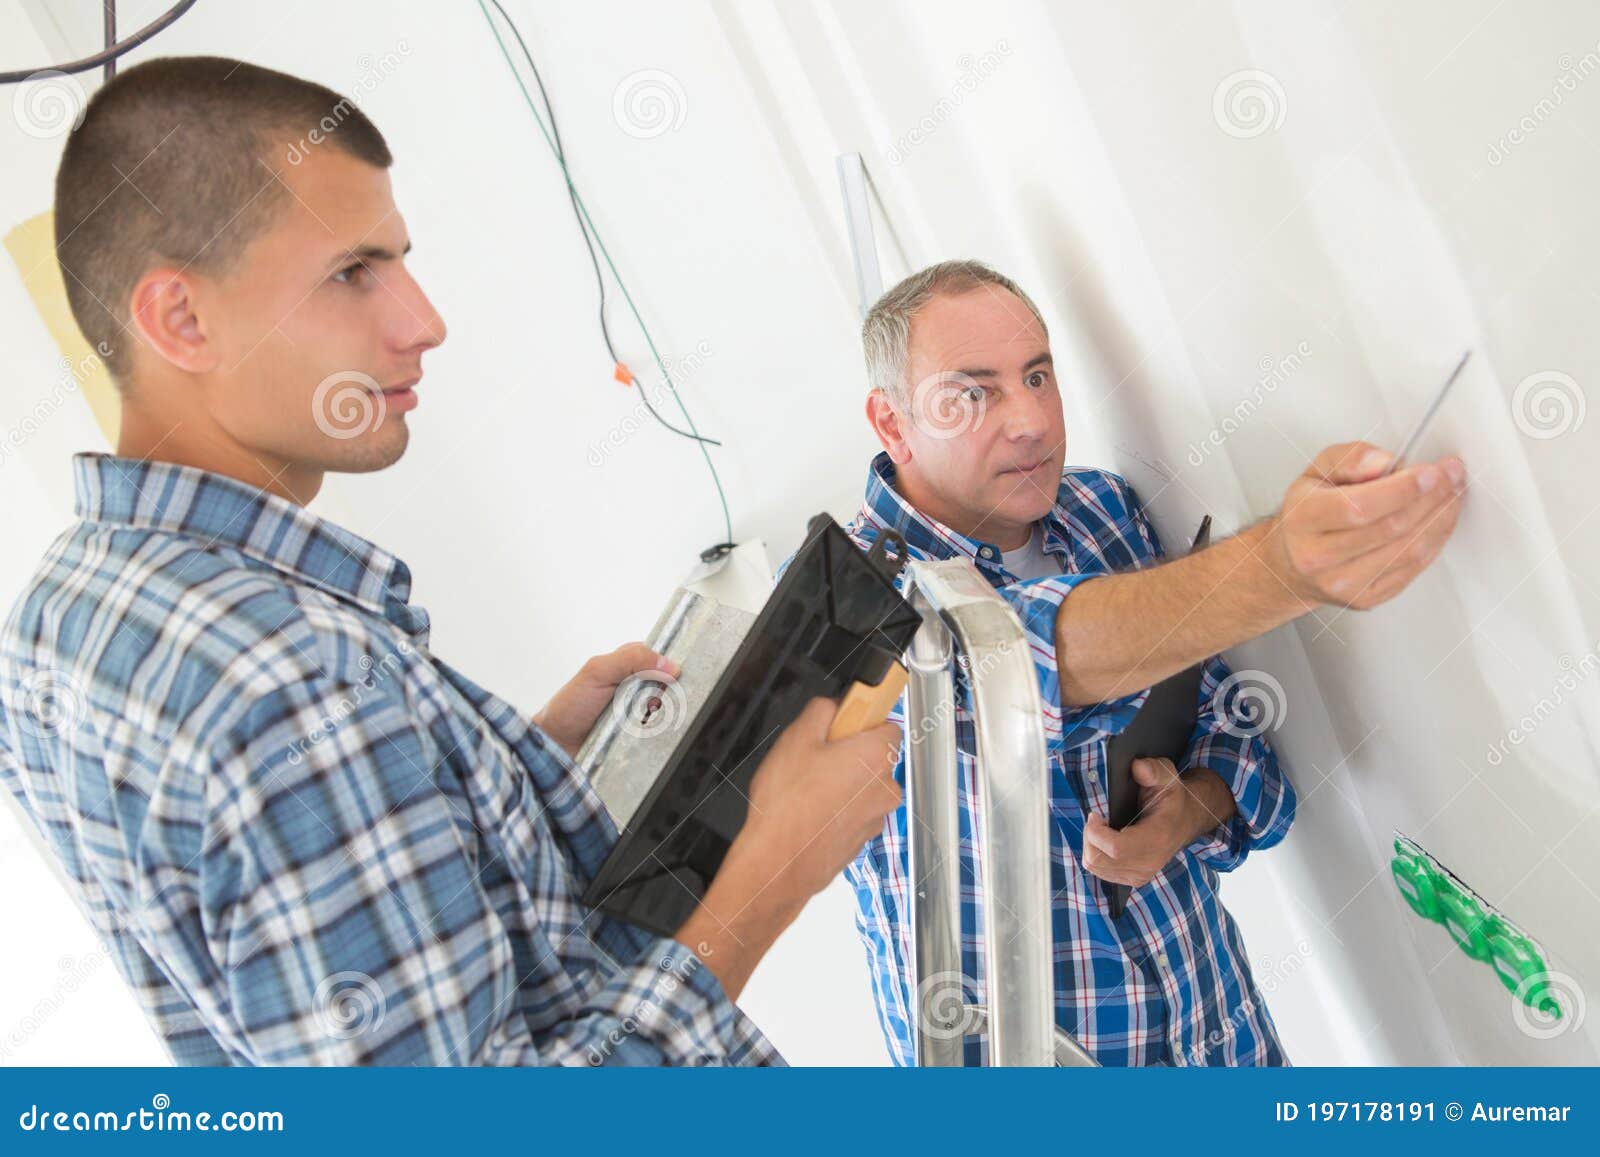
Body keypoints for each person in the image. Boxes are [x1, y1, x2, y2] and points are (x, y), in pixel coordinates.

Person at [0, 56, 902, 1066]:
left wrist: (498, 764)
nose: (423, 323)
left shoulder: (64, 609)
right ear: (182, 319)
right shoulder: (297, 692)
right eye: (353, 272)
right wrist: (767, 880)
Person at [830, 259, 1466, 1065]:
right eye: (974, 392)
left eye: (1037, 375)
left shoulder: (1101, 509)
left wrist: (1189, 809)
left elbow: (1236, 732)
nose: (1029, 419)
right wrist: (1279, 567)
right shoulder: (841, 601)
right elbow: (1005, 671)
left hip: (1223, 1043)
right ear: (891, 424)